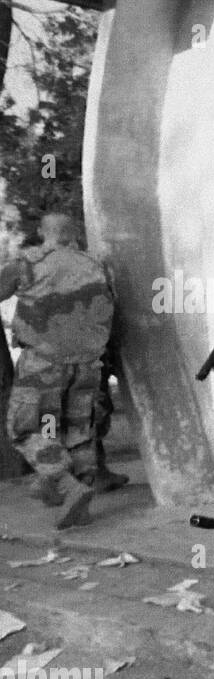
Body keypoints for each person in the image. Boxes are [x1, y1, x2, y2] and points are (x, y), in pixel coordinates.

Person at [1, 212, 116, 528]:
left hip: (43, 363)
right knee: (79, 430)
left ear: (41, 232)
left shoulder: (28, 262)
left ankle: (67, 485)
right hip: (88, 365)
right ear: (74, 232)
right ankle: (80, 502)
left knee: (24, 429)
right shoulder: (94, 263)